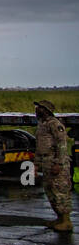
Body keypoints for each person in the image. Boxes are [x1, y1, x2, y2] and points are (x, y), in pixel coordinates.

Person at [34, 99, 73, 232]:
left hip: (55, 162)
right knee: (50, 191)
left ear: (45, 110)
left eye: (39, 107)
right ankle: (59, 218)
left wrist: (59, 163)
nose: (36, 109)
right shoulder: (42, 125)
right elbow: (40, 147)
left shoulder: (55, 124)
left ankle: (66, 221)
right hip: (46, 162)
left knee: (60, 191)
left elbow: (62, 145)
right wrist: (36, 165)